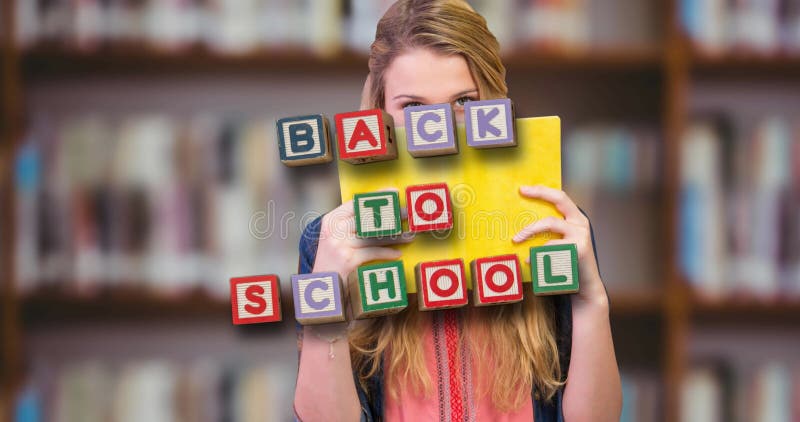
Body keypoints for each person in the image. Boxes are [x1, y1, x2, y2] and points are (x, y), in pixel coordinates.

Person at [293, 1, 622, 421]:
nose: (440, 131)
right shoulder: (328, 243)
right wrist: (328, 295)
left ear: (496, 107)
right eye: (412, 108)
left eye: (464, 102)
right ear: (378, 117)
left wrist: (592, 301)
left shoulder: (554, 229)